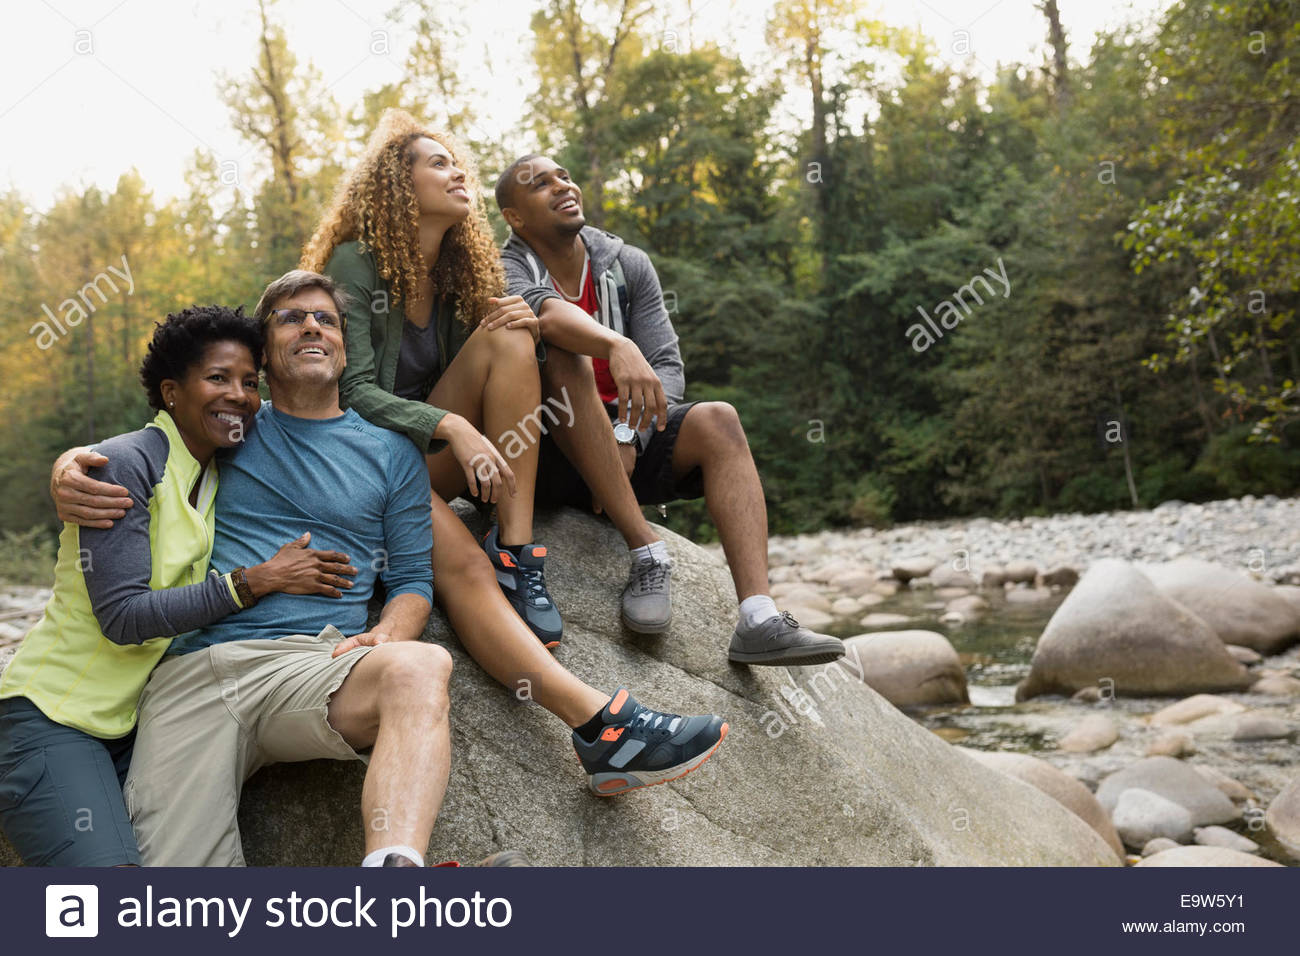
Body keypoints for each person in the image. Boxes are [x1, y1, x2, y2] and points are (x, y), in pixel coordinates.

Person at [52, 270, 729, 820]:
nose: (312, 326)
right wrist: (71, 466)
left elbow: (411, 576)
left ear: (345, 349)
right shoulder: (230, 429)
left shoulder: (392, 455)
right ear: (263, 354)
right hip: (203, 667)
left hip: (315, 669)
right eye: (291, 318)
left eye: (326, 319)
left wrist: (394, 628)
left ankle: (395, 892)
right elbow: (147, 448)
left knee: (418, 663)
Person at [0, 306, 354, 866]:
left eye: (248, 382)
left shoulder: (215, 469)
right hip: (52, 719)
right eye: (217, 378)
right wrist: (254, 582)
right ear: (171, 392)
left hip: (133, 729)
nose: (238, 395)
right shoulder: (124, 465)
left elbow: (328, 409)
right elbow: (124, 618)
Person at [495, 154, 845, 667]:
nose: (562, 186)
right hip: (547, 451)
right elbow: (543, 314)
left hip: (625, 446)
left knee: (718, 419)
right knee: (562, 352)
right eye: (541, 185)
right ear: (515, 217)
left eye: (565, 176)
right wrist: (616, 344)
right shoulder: (504, 268)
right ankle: (646, 551)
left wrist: (627, 437)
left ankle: (758, 618)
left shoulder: (626, 263)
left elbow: (665, 366)